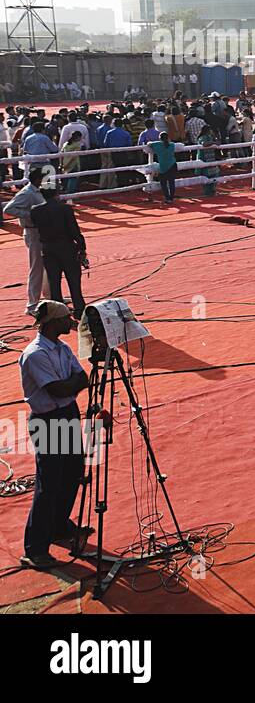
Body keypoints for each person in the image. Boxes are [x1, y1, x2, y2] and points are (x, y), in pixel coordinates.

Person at [18, 299, 91, 570]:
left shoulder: (61, 348)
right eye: (65, 319)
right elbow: (59, 389)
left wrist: (69, 386)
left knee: (72, 472)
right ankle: (35, 548)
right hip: (48, 421)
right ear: (54, 323)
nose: (69, 323)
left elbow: (80, 378)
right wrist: (71, 385)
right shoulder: (36, 354)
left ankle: (59, 526)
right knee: (48, 483)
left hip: (67, 414)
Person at [30, 182, 87, 318]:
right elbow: (74, 230)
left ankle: (58, 313)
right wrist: (82, 247)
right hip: (66, 247)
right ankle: (79, 310)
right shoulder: (65, 209)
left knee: (54, 282)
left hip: (48, 248)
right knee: (74, 281)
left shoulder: (35, 211)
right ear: (56, 194)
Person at [4, 166, 49, 315]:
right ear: (37, 179)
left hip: (40, 231)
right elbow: (8, 209)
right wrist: (30, 214)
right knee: (36, 268)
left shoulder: (37, 191)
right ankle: (32, 304)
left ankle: (49, 297)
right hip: (32, 232)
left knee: (46, 266)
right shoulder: (28, 193)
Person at [150, 131, 179, 201]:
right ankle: (171, 197)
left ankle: (167, 197)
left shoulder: (157, 145)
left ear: (160, 138)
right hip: (172, 165)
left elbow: (149, 144)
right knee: (172, 182)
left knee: (163, 183)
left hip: (163, 167)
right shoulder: (172, 145)